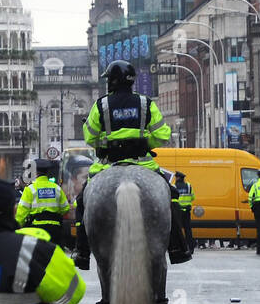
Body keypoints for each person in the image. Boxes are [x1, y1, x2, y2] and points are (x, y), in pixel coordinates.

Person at [76, 60, 187, 266]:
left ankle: (81, 251)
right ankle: (177, 247)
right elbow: (163, 134)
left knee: (82, 201)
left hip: (107, 165)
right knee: (171, 197)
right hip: (143, 163)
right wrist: (145, 142)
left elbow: (90, 137)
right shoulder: (146, 103)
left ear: (113, 81)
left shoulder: (101, 105)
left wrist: (106, 141)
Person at [15, 159, 71, 246]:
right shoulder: (57, 188)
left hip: (36, 230)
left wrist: (17, 227)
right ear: (47, 173)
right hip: (55, 230)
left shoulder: (30, 189)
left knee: (38, 257)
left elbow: (21, 213)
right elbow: (65, 208)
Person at [171, 171, 195, 255]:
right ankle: (191, 248)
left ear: (178, 178)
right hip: (187, 211)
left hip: (178, 211)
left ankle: (180, 249)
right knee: (188, 230)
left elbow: (172, 199)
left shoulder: (174, 186)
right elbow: (193, 197)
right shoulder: (188, 186)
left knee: (178, 231)